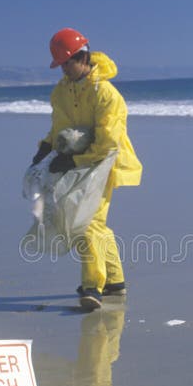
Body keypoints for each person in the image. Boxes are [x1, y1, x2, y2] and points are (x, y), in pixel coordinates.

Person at [32, 28, 142, 310]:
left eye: (67, 63)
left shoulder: (107, 95)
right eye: (61, 65)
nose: (64, 70)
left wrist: (73, 161)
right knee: (97, 224)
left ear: (83, 57)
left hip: (105, 162)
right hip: (79, 162)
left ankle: (93, 286)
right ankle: (115, 282)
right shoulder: (61, 92)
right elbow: (60, 127)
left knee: (88, 221)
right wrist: (45, 148)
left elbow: (107, 143)